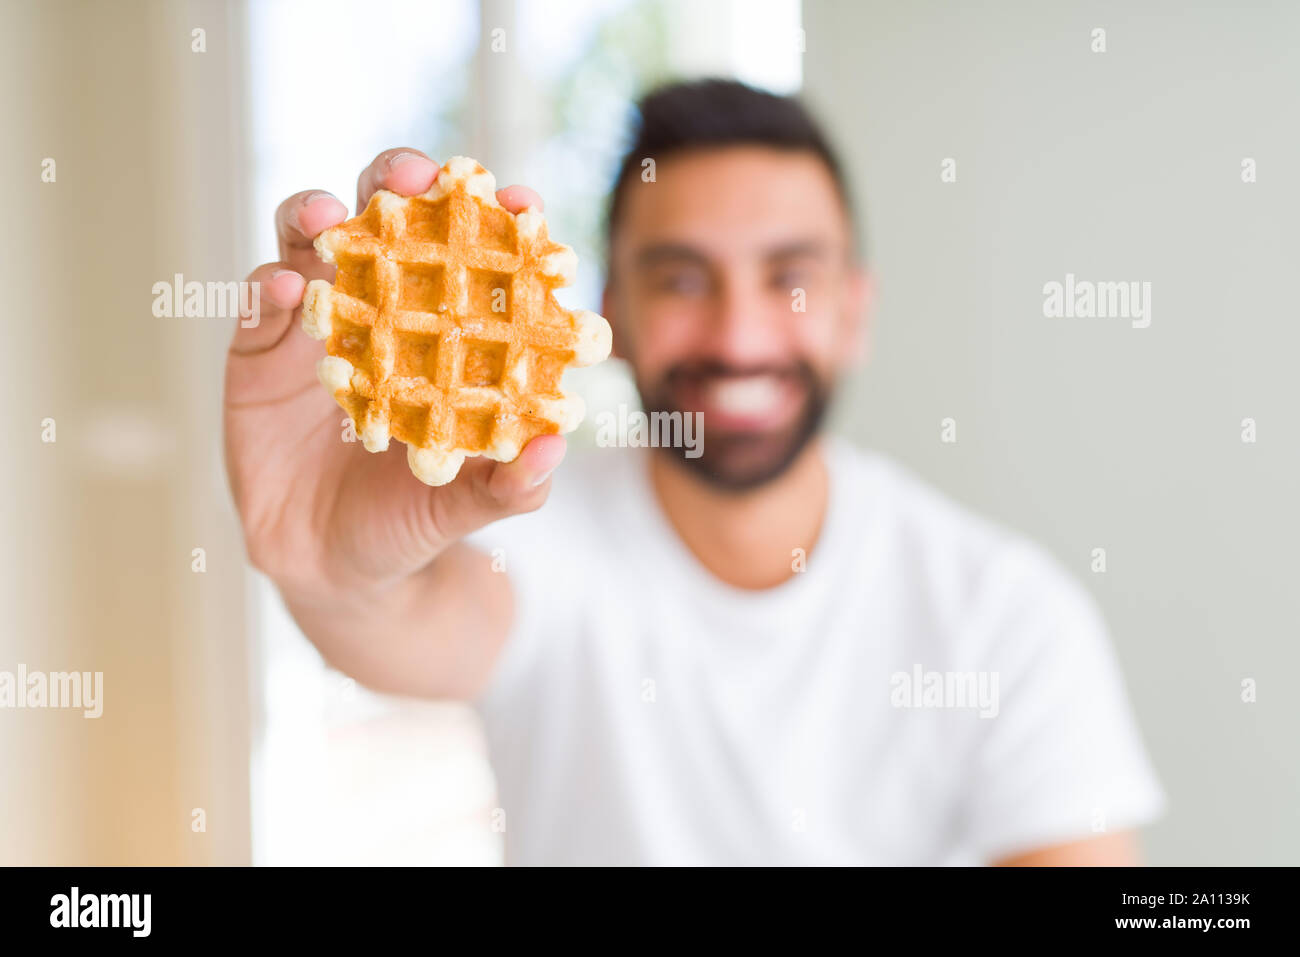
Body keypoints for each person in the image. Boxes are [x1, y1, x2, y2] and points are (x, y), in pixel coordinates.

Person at [225, 79, 1164, 866]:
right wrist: (329, 573)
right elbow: (417, 619)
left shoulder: (1007, 614)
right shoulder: (536, 537)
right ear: (607, 315)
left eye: (789, 278)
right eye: (679, 277)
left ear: (854, 312)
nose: (740, 336)